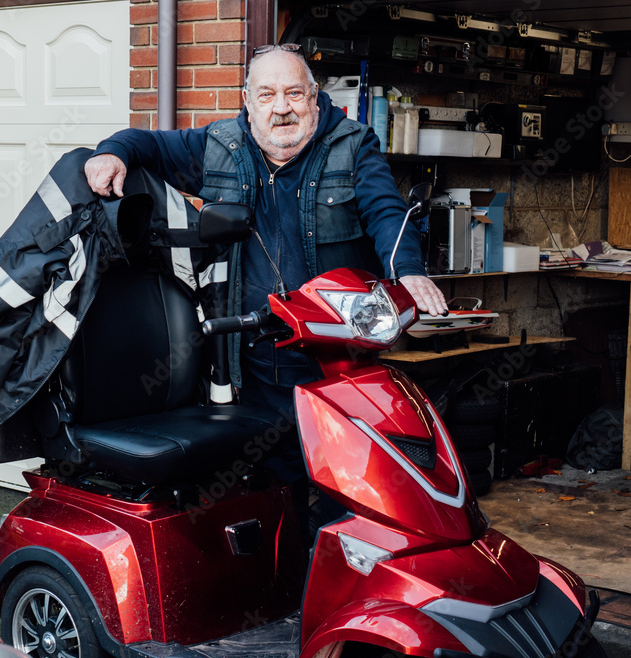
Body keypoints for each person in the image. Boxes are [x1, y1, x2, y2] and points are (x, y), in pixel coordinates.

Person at [85, 44, 446, 418]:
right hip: (249, 356)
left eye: (294, 93)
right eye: (267, 95)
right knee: (257, 449)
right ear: (247, 101)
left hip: (334, 355)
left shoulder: (353, 144)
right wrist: (112, 152)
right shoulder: (219, 145)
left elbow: (386, 212)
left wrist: (408, 271)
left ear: (314, 95)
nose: (282, 107)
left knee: (337, 448)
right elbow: (150, 144)